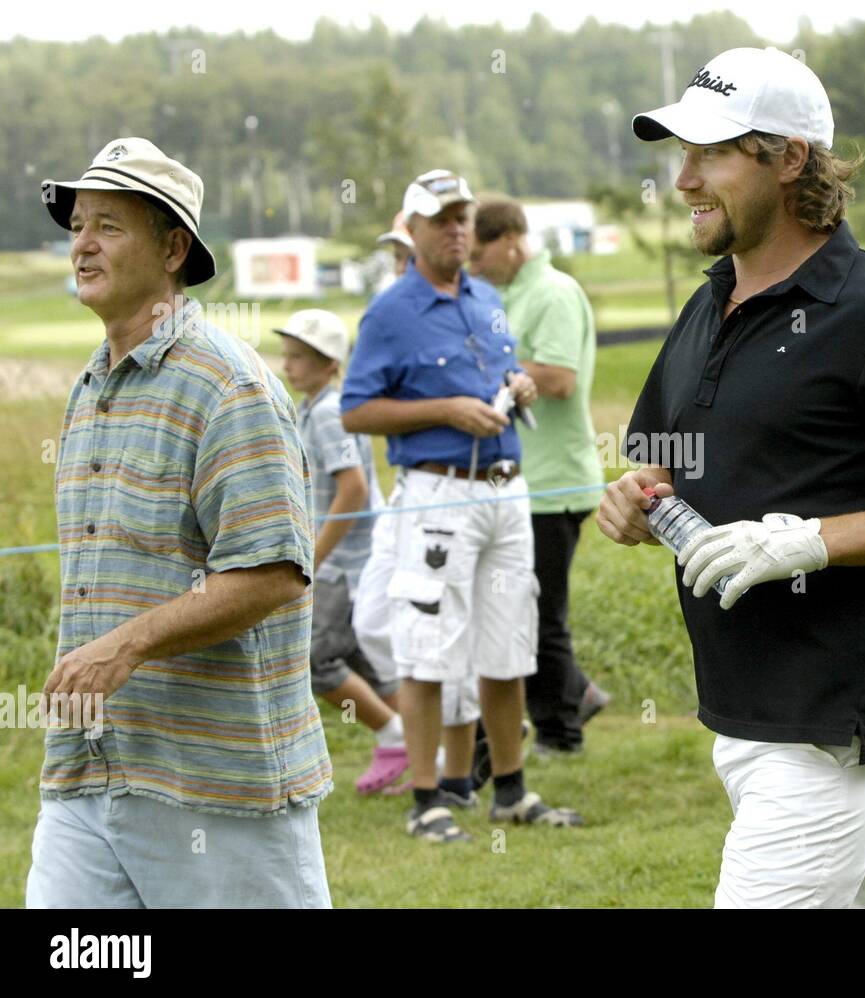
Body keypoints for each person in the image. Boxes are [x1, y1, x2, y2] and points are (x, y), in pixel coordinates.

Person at [599, 47, 865, 908]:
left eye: (711, 154)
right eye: (683, 155)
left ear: (790, 160)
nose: (683, 180)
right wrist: (637, 498)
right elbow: (664, 460)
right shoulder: (707, 302)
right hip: (744, 706)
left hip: (836, 722)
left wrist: (811, 543)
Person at [28, 137, 331, 907]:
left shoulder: (230, 387)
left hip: (218, 786)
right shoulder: (90, 386)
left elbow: (270, 577)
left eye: (108, 226)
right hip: (89, 771)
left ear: (173, 248)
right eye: (76, 227)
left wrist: (123, 648)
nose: (83, 245)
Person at [341, 168, 581, 842]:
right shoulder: (390, 310)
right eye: (440, 218)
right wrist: (444, 409)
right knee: (427, 650)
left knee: (508, 646)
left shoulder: (485, 298)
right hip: (436, 493)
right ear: (412, 229)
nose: (454, 229)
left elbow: (495, 371)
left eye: (462, 217)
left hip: (507, 488)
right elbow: (355, 410)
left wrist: (516, 387)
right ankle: (428, 801)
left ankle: (510, 791)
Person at [470, 199, 610, 755]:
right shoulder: (504, 293)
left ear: (509, 240)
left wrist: (486, 373)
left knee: (540, 615)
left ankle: (561, 732)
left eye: (480, 255)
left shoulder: (551, 292)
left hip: (556, 483)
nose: (474, 267)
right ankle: (579, 693)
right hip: (518, 481)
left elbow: (559, 379)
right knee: (514, 607)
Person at [274, 308, 411, 790]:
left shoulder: (330, 413)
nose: (288, 367)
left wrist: (313, 556)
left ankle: (397, 737)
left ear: (330, 365)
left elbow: (352, 489)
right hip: (342, 561)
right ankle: (434, 739)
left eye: (300, 359)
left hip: (346, 563)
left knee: (316, 659)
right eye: (287, 356)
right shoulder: (314, 408)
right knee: (369, 660)